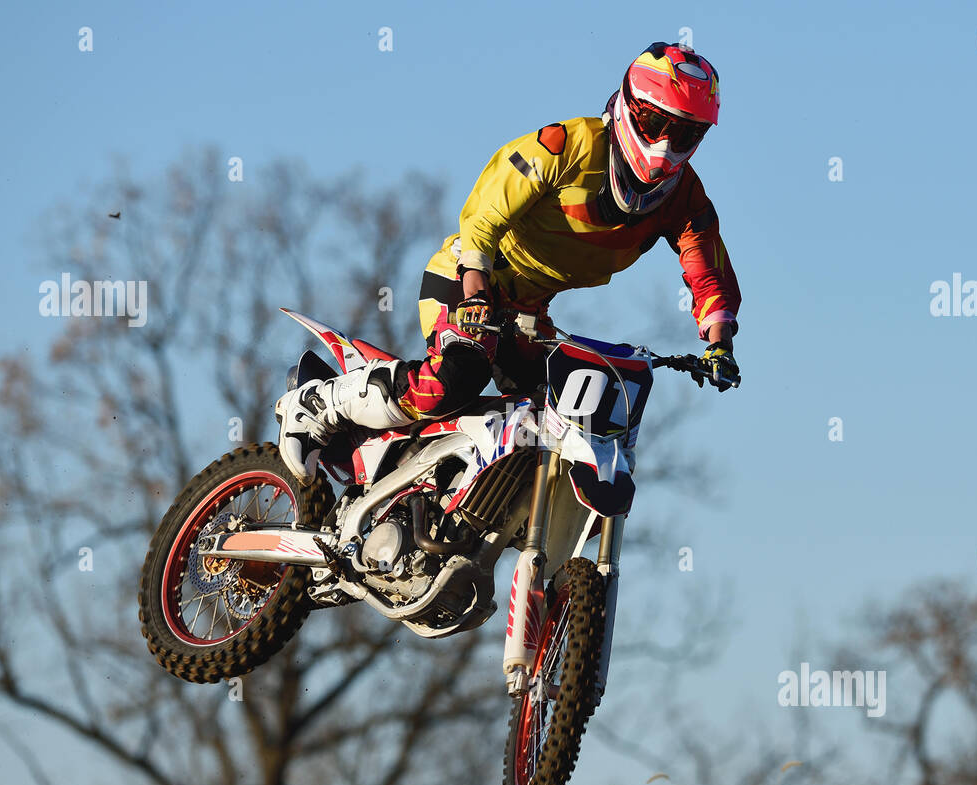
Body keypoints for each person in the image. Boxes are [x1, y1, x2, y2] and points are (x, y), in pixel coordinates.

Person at [277, 41, 742, 485]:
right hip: (467, 281)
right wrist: (476, 287)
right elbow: (485, 213)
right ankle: (320, 404)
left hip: (526, 316)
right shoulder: (566, 146)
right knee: (457, 377)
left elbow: (707, 271)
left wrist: (719, 344)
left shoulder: (685, 200)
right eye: (655, 123)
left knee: (557, 418)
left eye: (683, 133)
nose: (664, 145)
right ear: (628, 104)